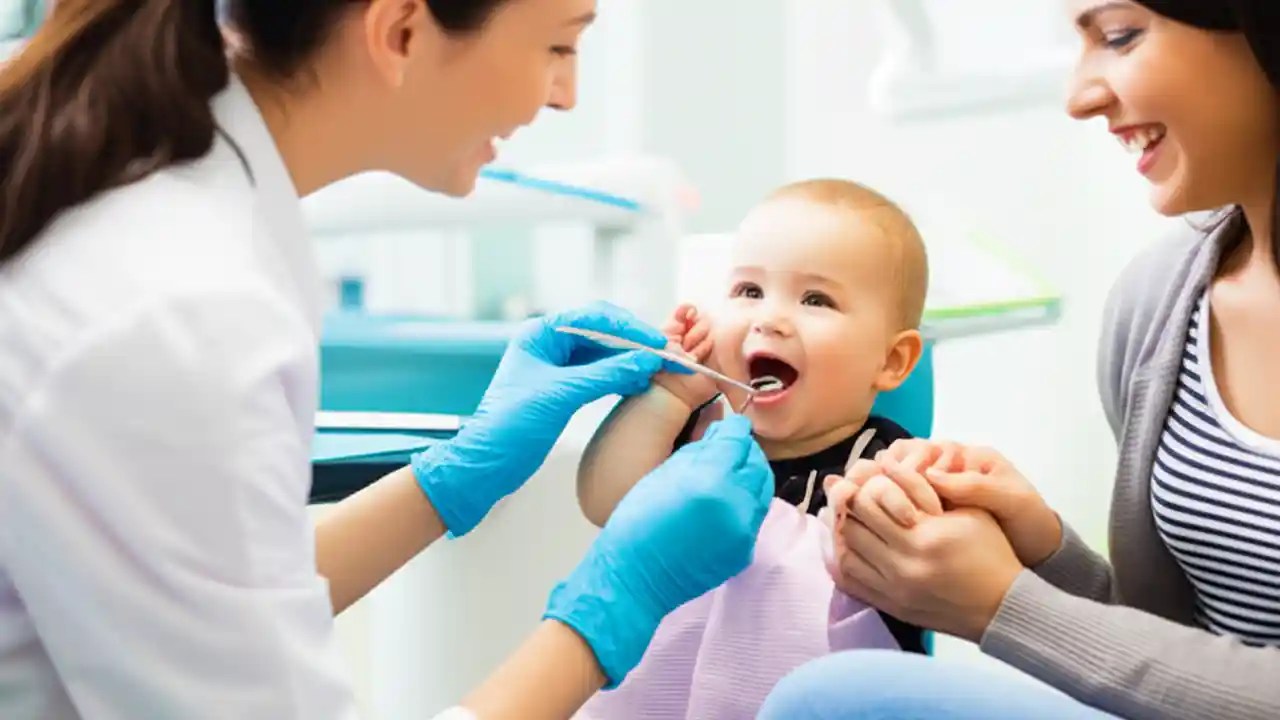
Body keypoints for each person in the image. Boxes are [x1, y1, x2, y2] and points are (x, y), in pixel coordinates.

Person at [0, 2, 775, 719]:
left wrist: (453, 476)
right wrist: (612, 610)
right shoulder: (181, 310)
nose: (566, 95)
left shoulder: (177, 203)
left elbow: (193, 598)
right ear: (400, 30)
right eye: (558, 46)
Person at [757, 1, 1280, 718]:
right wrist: (1038, 548)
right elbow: (1176, 649)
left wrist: (1005, 605)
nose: (1080, 95)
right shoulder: (1160, 305)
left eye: (1121, 36)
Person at [573, 179, 931, 717]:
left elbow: (926, 576)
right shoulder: (693, 435)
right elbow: (605, 503)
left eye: (816, 299)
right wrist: (668, 393)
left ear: (891, 362)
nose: (769, 318)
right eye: (748, 291)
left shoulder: (885, 465)